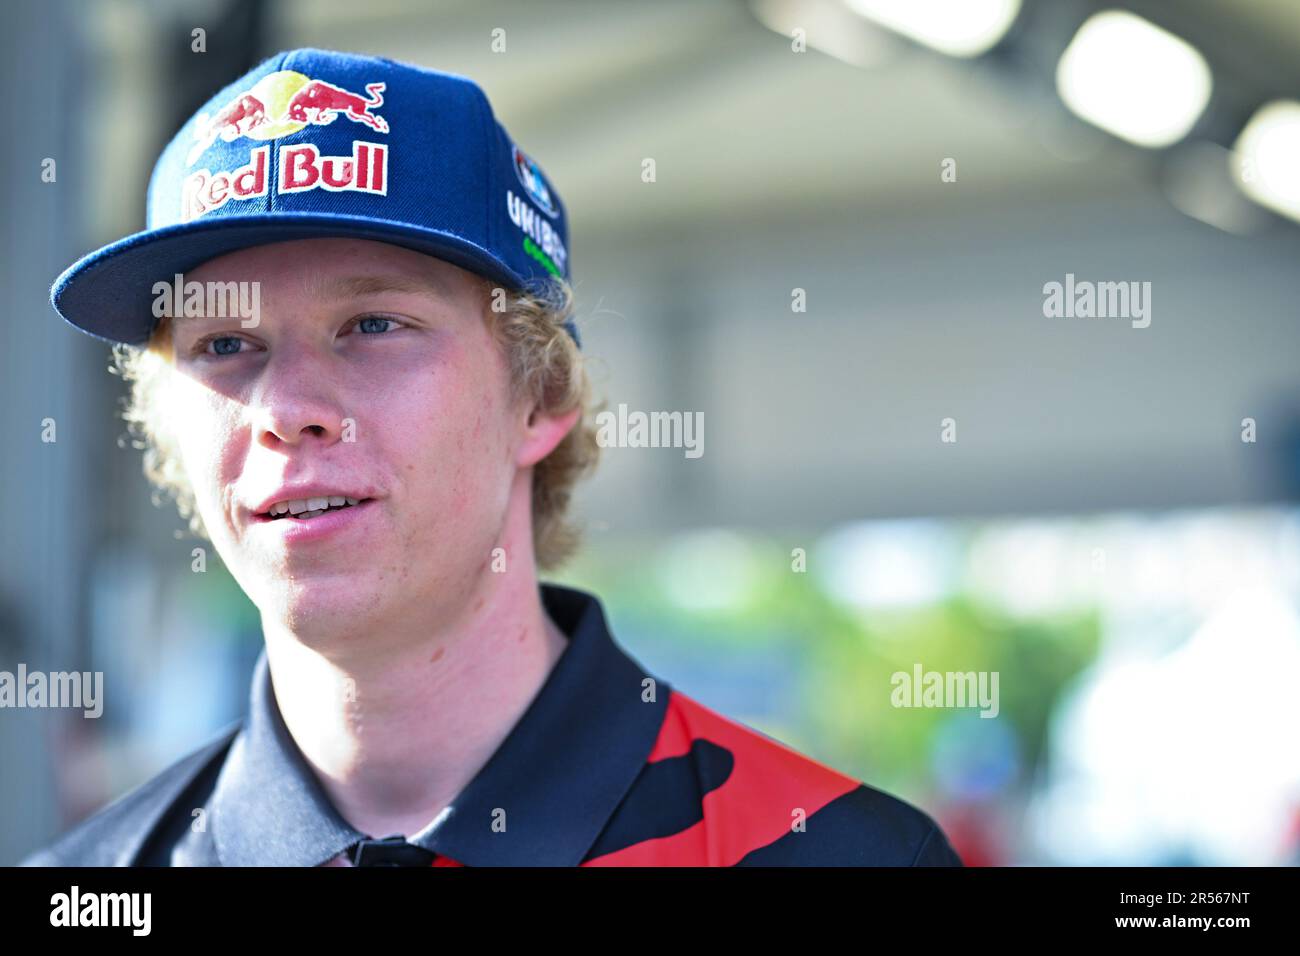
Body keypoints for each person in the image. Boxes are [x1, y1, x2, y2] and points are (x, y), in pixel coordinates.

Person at [21, 48, 962, 867]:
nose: (289, 410)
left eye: (373, 324)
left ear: (541, 396)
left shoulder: (834, 854)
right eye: (224, 346)